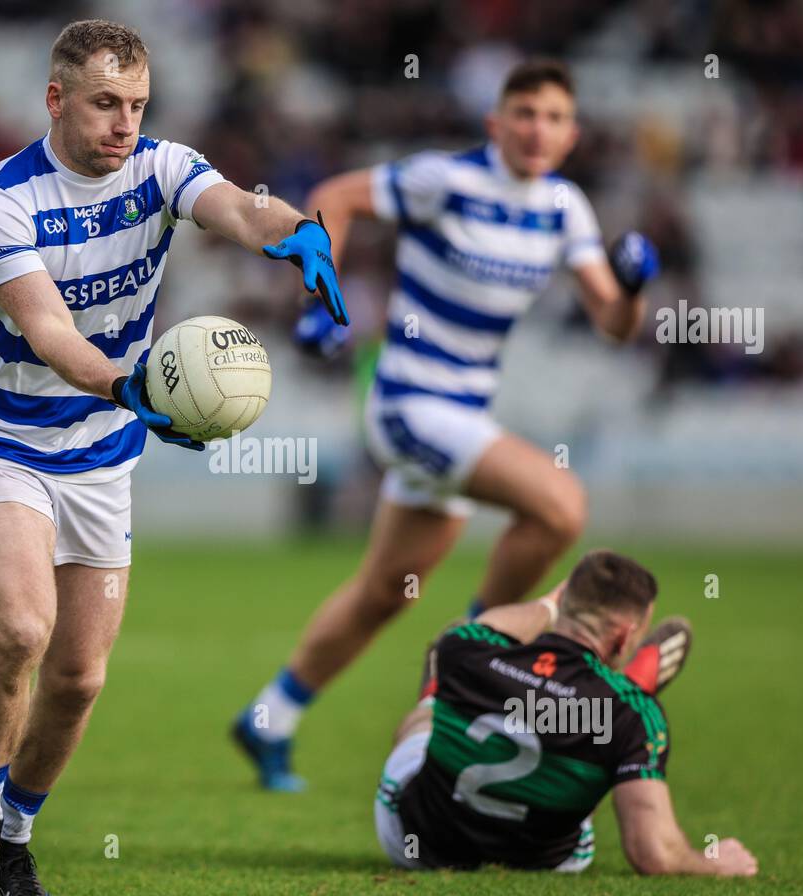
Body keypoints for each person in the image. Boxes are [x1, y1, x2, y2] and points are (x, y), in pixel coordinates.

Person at [0, 18, 348, 896]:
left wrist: (297, 232)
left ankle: (14, 842)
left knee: (80, 677)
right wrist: (137, 391)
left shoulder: (160, 166)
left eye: (137, 105)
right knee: (20, 631)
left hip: (99, 450)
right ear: (56, 100)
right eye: (104, 104)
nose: (125, 124)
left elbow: (239, 207)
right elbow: (50, 334)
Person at [233, 58, 660, 790]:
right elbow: (336, 197)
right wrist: (321, 295)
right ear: (496, 124)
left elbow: (614, 324)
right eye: (524, 113)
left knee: (384, 591)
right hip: (407, 402)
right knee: (561, 505)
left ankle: (270, 717)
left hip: (463, 414)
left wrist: (633, 287)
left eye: (554, 117)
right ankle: (478, 654)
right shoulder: (447, 180)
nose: (537, 128)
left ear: (571, 134)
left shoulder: (563, 207)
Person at [374, 549, 758, 877]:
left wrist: (548, 605)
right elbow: (653, 853)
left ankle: (430, 696)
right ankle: (632, 683)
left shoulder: (465, 649)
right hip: (544, 862)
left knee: (422, 723)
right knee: (613, 737)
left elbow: (486, 624)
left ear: (563, 605)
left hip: (416, 845)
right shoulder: (635, 717)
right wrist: (710, 861)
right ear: (625, 637)